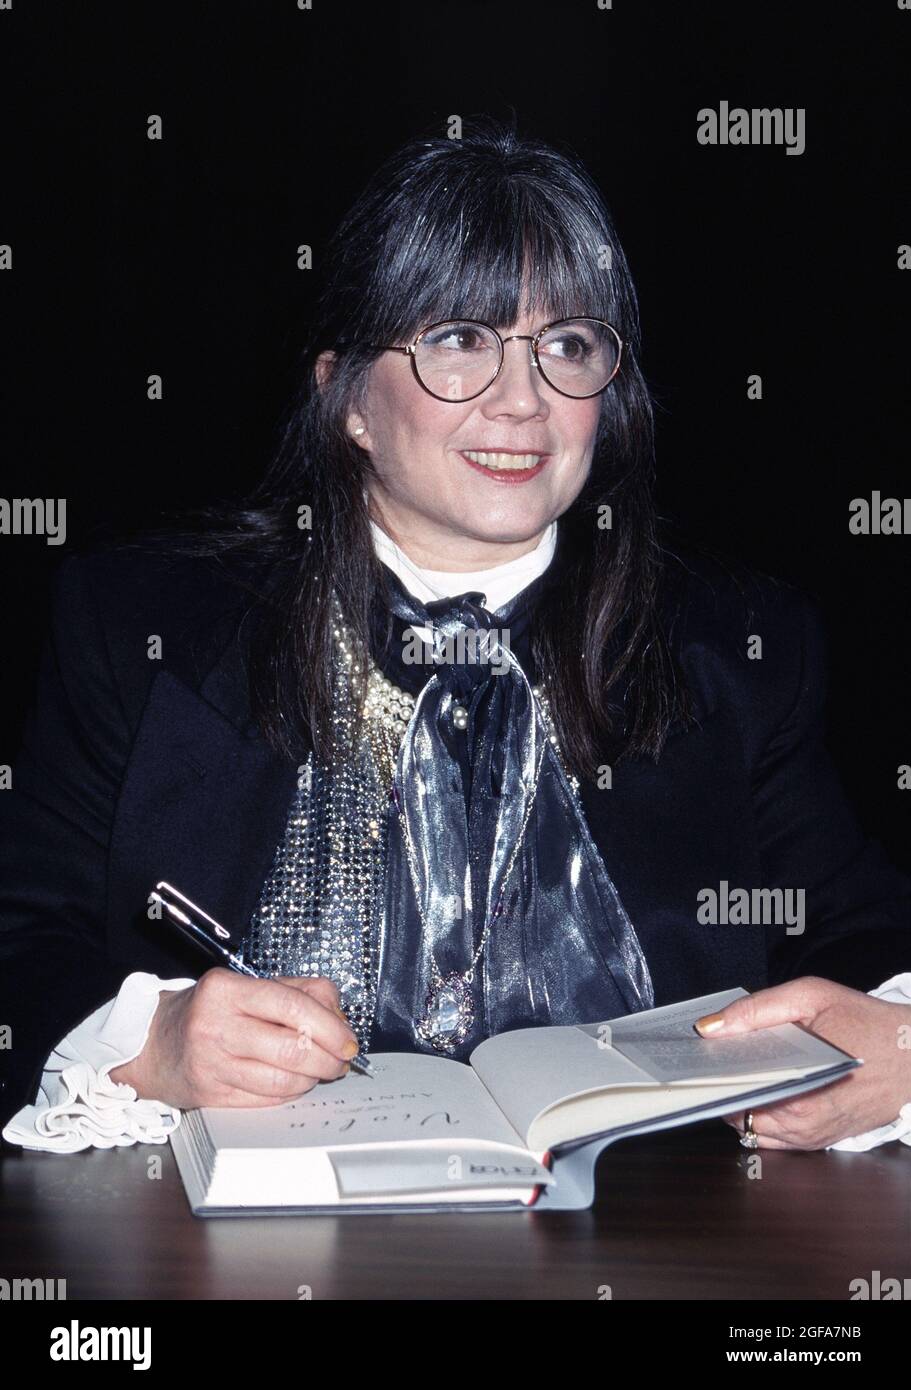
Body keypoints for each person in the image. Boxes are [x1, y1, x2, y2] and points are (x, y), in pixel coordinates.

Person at [2, 119, 909, 1157]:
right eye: (457, 340)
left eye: (566, 344)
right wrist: (149, 1043)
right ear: (344, 397)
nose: (522, 401)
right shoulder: (139, 627)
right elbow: (21, 941)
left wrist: (891, 1040)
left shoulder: (738, 649)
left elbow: (865, 932)